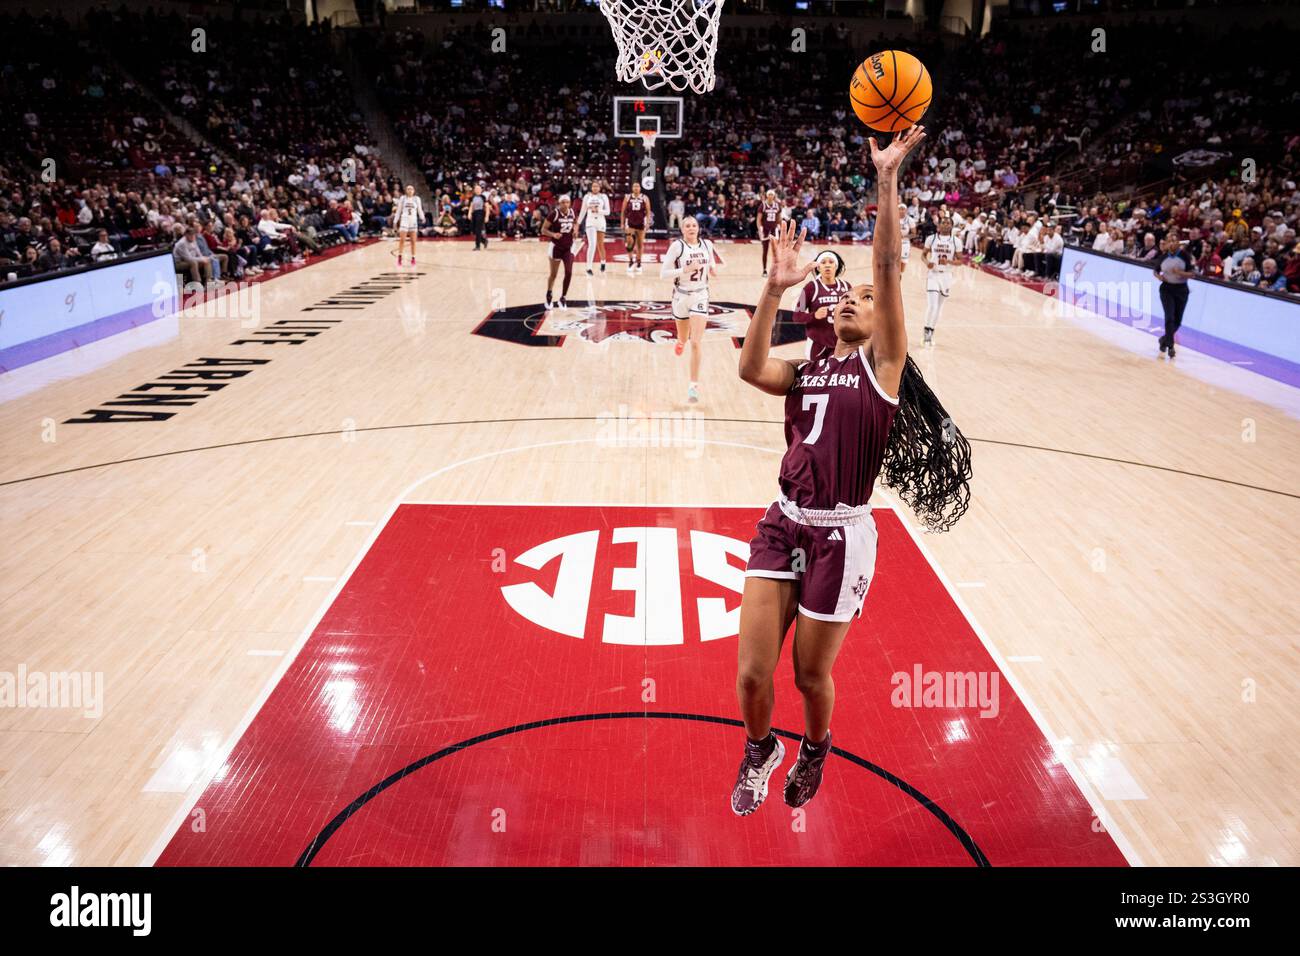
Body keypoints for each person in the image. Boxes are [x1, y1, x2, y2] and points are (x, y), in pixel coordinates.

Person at [731, 126, 971, 816]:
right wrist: (773, 291)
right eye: (845, 297)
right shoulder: (807, 368)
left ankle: (813, 745)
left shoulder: (882, 367)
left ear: (879, 319)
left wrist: (887, 179)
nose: (850, 299)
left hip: (841, 535)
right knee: (752, 675)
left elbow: (890, 267)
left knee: (809, 676)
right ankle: (759, 750)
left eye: (862, 299)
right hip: (785, 521)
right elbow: (751, 369)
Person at [661, 215, 725, 404]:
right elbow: (663, 273)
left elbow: (711, 263)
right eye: (687, 226)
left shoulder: (707, 245)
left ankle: (693, 387)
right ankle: (680, 341)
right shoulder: (677, 247)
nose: (691, 228)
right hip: (680, 296)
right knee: (683, 337)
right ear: (682, 230)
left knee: (696, 342)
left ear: (698, 228)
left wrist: (712, 269)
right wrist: (684, 270)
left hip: (700, 295)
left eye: (694, 225)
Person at [793, 250, 849, 363]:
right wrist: (814, 315)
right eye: (823, 262)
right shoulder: (810, 288)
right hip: (817, 345)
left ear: (836, 266)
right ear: (818, 267)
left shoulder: (846, 287)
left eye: (831, 262)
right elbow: (797, 316)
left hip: (841, 344)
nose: (827, 265)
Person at [1154, 236, 1195, 359]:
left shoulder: (1185, 256)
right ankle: (1171, 346)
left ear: (1178, 243)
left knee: (1177, 321)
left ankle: (1164, 340)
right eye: (1169, 241)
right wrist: (1159, 277)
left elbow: (1193, 274)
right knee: (1169, 317)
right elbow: (1155, 271)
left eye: (1174, 241)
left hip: (1181, 290)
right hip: (1167, 289)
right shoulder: (1163, 257)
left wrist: (1180, 273)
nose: (1172, 244)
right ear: (1166, 244)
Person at [922, 217, 957, 346]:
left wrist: (949, 262)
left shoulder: (956, 241)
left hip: (947, 276)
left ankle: (932, 329)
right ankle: (926, 330)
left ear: (952, 226)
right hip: (933, 274)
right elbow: (923, 255)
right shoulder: (931, 239)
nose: (946, 225)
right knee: (932, 305)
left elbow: (960, 260)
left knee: (939, 308)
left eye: (948, 223)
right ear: (939, 225)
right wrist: (927, 263)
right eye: (943, 222)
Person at [542, 195, 578, 310]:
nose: (565, 204)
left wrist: (575, 231)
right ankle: (549, 293)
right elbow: (543, 229)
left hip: (568, 247)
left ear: (570, 203)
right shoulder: (554, 214)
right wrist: (553, 235)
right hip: (556, 247)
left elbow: (575, 223)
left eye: (567, 202)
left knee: (569, 272)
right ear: (559, 203)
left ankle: (563, 297)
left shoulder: (572, 212)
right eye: (563, 202)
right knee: (554, 274)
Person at [578, 180, 610, 275]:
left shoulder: (604, 197)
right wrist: (578, 223)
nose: (595, 188)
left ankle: (603, 262)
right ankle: (589, 268)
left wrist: (598, 210)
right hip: (590, 222)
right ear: (591, 187)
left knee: (600, 245)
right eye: (593, 186)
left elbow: (608, 212)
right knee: (592, 244)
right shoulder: (587, 197)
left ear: (600, 188)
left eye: (597, 186)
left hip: (600, 222)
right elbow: (583, 211)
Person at [621, 182, 650, 275]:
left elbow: (648, 212)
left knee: (640, 244)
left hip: (641, 223)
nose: (636, 188)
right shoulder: (627, 197)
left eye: (638, 186)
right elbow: (623, 211)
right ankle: (630, 261)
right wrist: (622, 223)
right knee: (629, 242)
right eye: (634, 186)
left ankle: (639, 263)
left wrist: (648, 222)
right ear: (632, 188)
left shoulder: (645, 198)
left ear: (640, 188)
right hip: (630, 223)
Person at [392, 185, 424, 267]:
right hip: (404, 220)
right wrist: (395, 221)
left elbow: (419, 210)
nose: (410, 190)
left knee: (413, 241)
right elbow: (399, 210)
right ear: (406, 191)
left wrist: (422, 217)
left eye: (411, 189)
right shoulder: (403, 198)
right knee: (402, 240)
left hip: (413, 220)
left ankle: (413, 258)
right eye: (408, 189)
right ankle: (400, 257)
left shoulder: (417, 199)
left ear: (414, 191)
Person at [757, 189, 783, 277]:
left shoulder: (777, 206)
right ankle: (764, 270)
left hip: (774, 229)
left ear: (774, 196)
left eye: (772, 195)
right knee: (765, 250)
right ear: (767, 196)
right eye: (769, 194)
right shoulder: (763, 205)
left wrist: (780, 226)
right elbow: (758, 219)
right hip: (765, 230)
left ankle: (776, 270)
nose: (771, 196)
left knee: (776, 251)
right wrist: (760, 229)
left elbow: (779, 218)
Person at [470, 184, 488, 251]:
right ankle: (484, 241)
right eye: (476, 189)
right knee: (474, 231)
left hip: (480, 213)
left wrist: (486, 216)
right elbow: (471, 206)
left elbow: (487, 207)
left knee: (478, 230)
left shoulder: (483, 197)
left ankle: (477, 246)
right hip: (474, 213)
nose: (477, 190)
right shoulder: (473, 197)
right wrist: (469, 213)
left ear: (481, 190)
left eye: (478, 189)